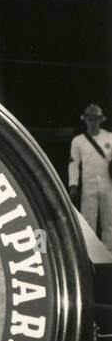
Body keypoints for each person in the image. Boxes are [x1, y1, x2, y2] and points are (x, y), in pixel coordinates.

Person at [68, 104, 112, 249]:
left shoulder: (110, 138)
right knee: (88, 219)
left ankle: (110, 252)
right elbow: (73, 164)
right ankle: (91, 252)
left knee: (109, 220)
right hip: (89, 184)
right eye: (90, 119)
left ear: (101, 120)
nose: (93, 122)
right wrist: (73, 184)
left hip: (108, 183)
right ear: (85, 120)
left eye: (96, 119)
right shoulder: (78, 141)